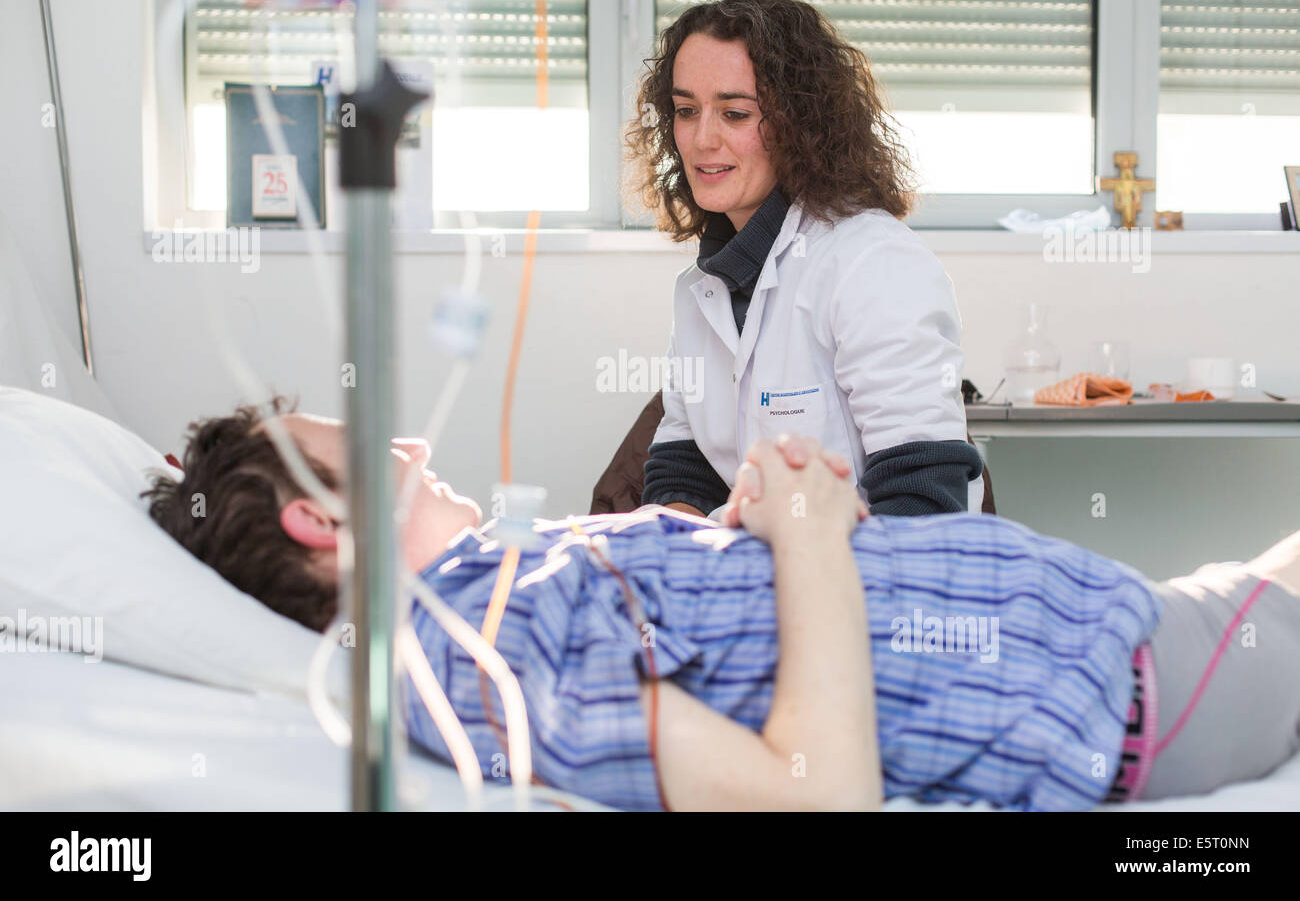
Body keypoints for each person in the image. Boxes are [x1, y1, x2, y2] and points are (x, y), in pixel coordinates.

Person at [144, 400, 1300, 811]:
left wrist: (749, 530)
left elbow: (739, 648)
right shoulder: (469, 652)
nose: (401, 435)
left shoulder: (513, 577)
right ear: (314, 516)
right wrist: (802, 544)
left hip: (1094, 622)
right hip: (1112, 685)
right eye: (344, 436)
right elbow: (816, 791)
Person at [624, 0, 985, 520]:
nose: (702, 138)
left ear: (799, 123)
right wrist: (672, 563)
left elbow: (924, 502)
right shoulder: (700, 288)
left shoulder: (873, 264)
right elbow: (686, 472)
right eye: (685, 111)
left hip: (872, 585)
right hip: (761, 574)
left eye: (735, 113)